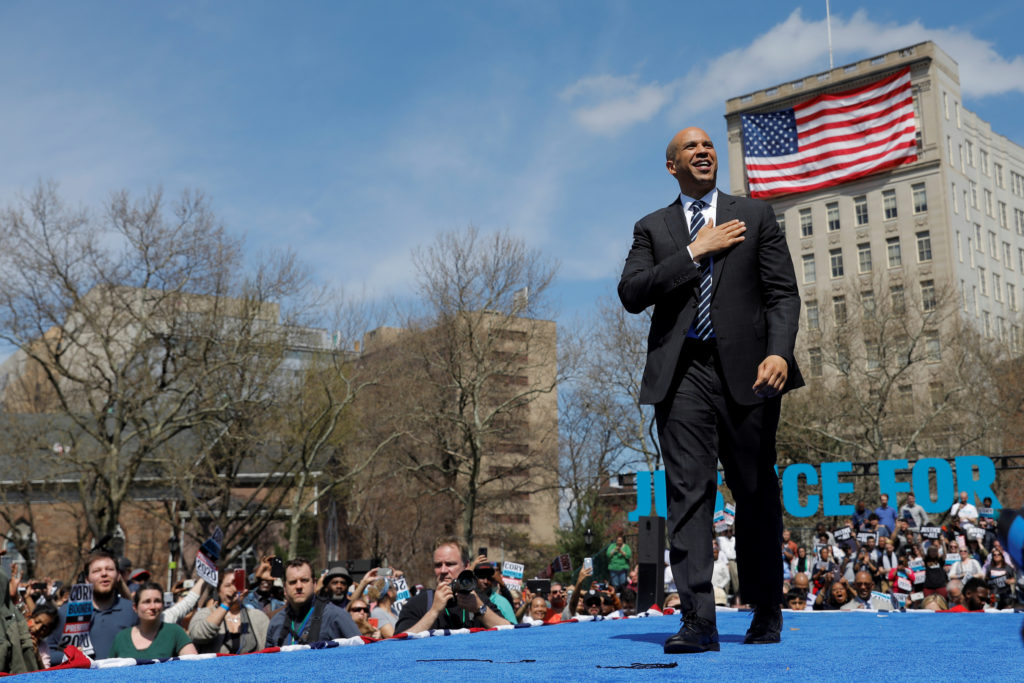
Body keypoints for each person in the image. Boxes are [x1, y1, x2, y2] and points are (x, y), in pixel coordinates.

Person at [619, 127, 802, 654]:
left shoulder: (757, 215)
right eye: (690, 148)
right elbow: (631, 293)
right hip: (683, 375)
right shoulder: (652, 228)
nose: (703, 151)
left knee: (755, 492)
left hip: (750, 371)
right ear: (672, 166)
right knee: (689, 496)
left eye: (709, 146)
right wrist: (696, 251)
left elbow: (782, 294)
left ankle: (766, 610)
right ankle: (698, 621)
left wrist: (779, 353)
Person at [393, 539, 510, 634]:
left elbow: (510, 632)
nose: (443, 570)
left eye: (450, 564)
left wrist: (479, 609)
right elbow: (397, 643)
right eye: (438, 565)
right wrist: (433, 612)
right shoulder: (418, 603)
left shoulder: (477, 599)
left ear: (466, 566)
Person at [46, 550, 138, 663]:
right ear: (87, 579)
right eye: (96, 571)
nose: (104, 574)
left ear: (118, 576)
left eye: (109, 569)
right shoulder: (67, 612)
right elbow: (47, 653)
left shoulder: (132, 611)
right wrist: (69, 657)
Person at [266, 559, 361, 646]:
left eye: (304, 580)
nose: (299, 586)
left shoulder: (335, 616)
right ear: (285, 588)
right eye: (293, 582)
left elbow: (361, 652)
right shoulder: (276, 621)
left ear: (314, 584)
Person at [109, 582, 196, 659]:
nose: (152, 607)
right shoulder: (121, 638)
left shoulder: (175, 632)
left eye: (157, 601)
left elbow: (193, 665)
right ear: (135, 607)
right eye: (147, 602)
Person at [188, 571, 268, 654]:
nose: (233, 589)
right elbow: (198, 635)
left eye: (237, 585)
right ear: (219, 590)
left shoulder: (258, 617)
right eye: (228, 585)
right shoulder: (205, 613)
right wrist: (226, 604)